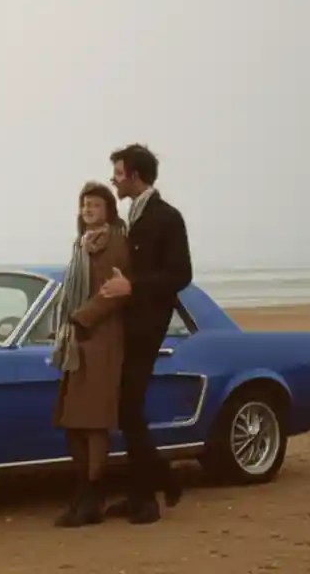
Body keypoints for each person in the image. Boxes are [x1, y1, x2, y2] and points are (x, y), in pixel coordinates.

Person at [98, 143, 193, 524]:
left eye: (118, 174)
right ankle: (146, 490)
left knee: (129, 407)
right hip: (127, 322)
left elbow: (180, 275)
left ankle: (155, 491)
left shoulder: (167, 217)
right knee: (127, 407)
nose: (114, 180)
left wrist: (132, 287)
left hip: (148, 323)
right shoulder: (128, 217)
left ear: (135, 176)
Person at [50, 181, 130, 527]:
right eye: (84, 205)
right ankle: (83, 492)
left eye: (95, 205)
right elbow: (70, 291)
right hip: (77, 344)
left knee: (94, 423)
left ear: (108, 211)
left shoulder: (115, 243)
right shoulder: (79, 246)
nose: (88, 210)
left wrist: (83, 318)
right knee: (74, 423)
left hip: (103, 340)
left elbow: (118, 290)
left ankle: (92, 496)